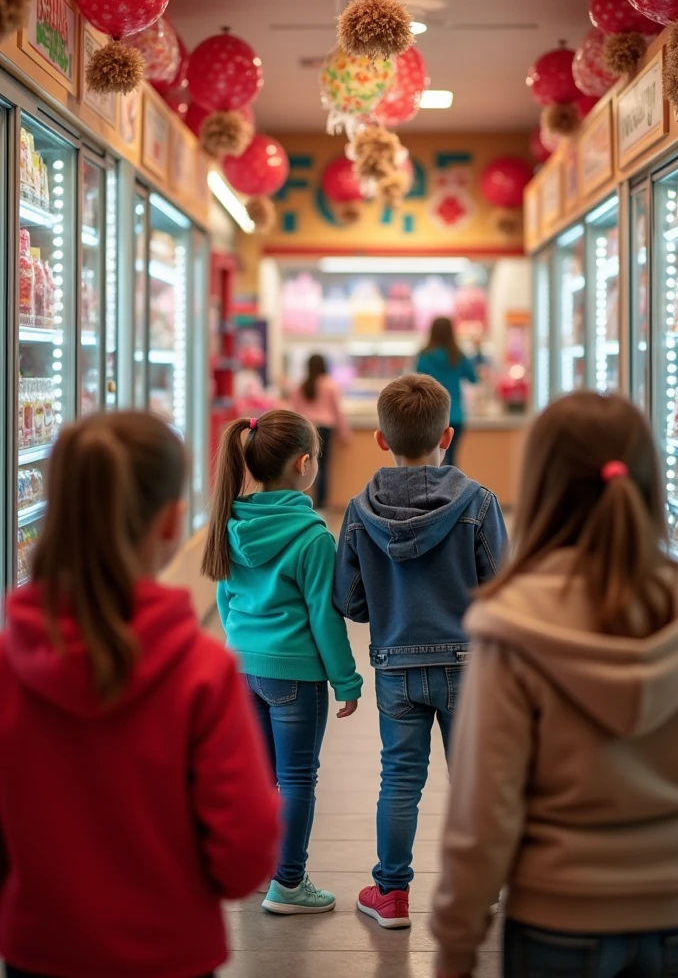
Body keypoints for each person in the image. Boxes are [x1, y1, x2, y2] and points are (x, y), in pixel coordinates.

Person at [0, 412, 280, 978]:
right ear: (174, 522)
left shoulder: (8, 667)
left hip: (38, 951)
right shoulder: (201, 672)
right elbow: (244, 857)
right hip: (170, 952)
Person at [432, 391, 678, 978]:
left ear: (542, 486)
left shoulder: (512, 623)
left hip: (558, 921)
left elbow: (482, 815)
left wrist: (455, 947)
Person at [333, 374, 508, 929]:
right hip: (468, 666)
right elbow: (501, 588)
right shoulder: (479, 503)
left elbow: (348, 599)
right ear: (448, 435)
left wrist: (387, 605)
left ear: (381, 439)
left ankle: (391, 895)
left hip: (394, 666)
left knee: (400, 779)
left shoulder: (361, 512)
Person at [202, 409, 363, 916]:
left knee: (262, 778)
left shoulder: (232, 525)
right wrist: (347, 680)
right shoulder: (313, 537)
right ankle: (289, 883)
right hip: (295, 676)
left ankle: (259, 870)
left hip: (241, 669)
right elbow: (324, 619)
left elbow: (227, 603)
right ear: (305, 463)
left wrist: (244, 647)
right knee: (297, 780)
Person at [291, 353, 350, 509]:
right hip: (325, 429)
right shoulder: (330, 385)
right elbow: (337, 411)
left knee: (302, 465)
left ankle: (302, 501)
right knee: (322, 466)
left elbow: (295, 410)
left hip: (306, 428)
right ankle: (321, 504)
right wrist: (344, 432)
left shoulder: (300, 386)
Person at [416, 318, 477, 467]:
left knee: (433, 461)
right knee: (452, 459)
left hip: (431, 415)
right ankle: (454, 489)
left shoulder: (424, 356)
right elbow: (473, 378)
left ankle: (434, 490)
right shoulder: (458, 356)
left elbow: (415, 383)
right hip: (456, 414)